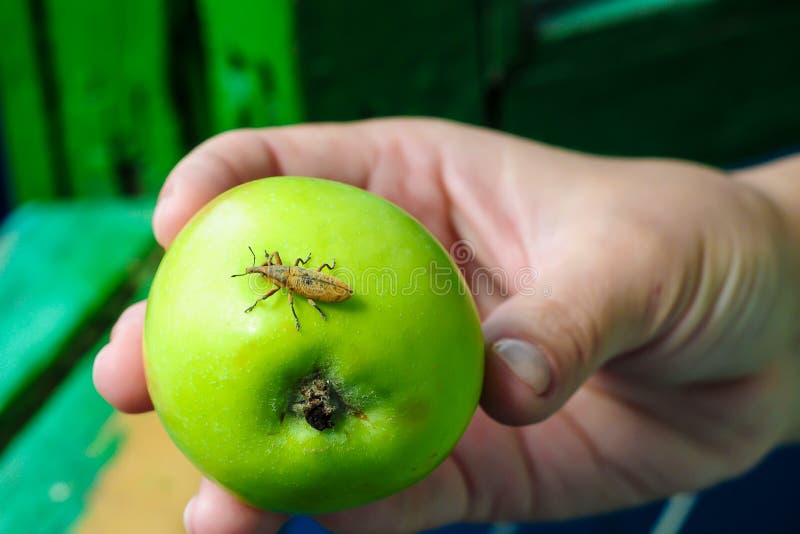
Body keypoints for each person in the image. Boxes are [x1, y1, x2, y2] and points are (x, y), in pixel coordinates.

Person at [92, 118, 800, 534]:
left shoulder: (292, 282)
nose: (273, 276)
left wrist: (774, 237)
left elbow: (313, 286)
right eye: (270, 276)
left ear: (275, 268)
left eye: (270, 272)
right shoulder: (287, 282)